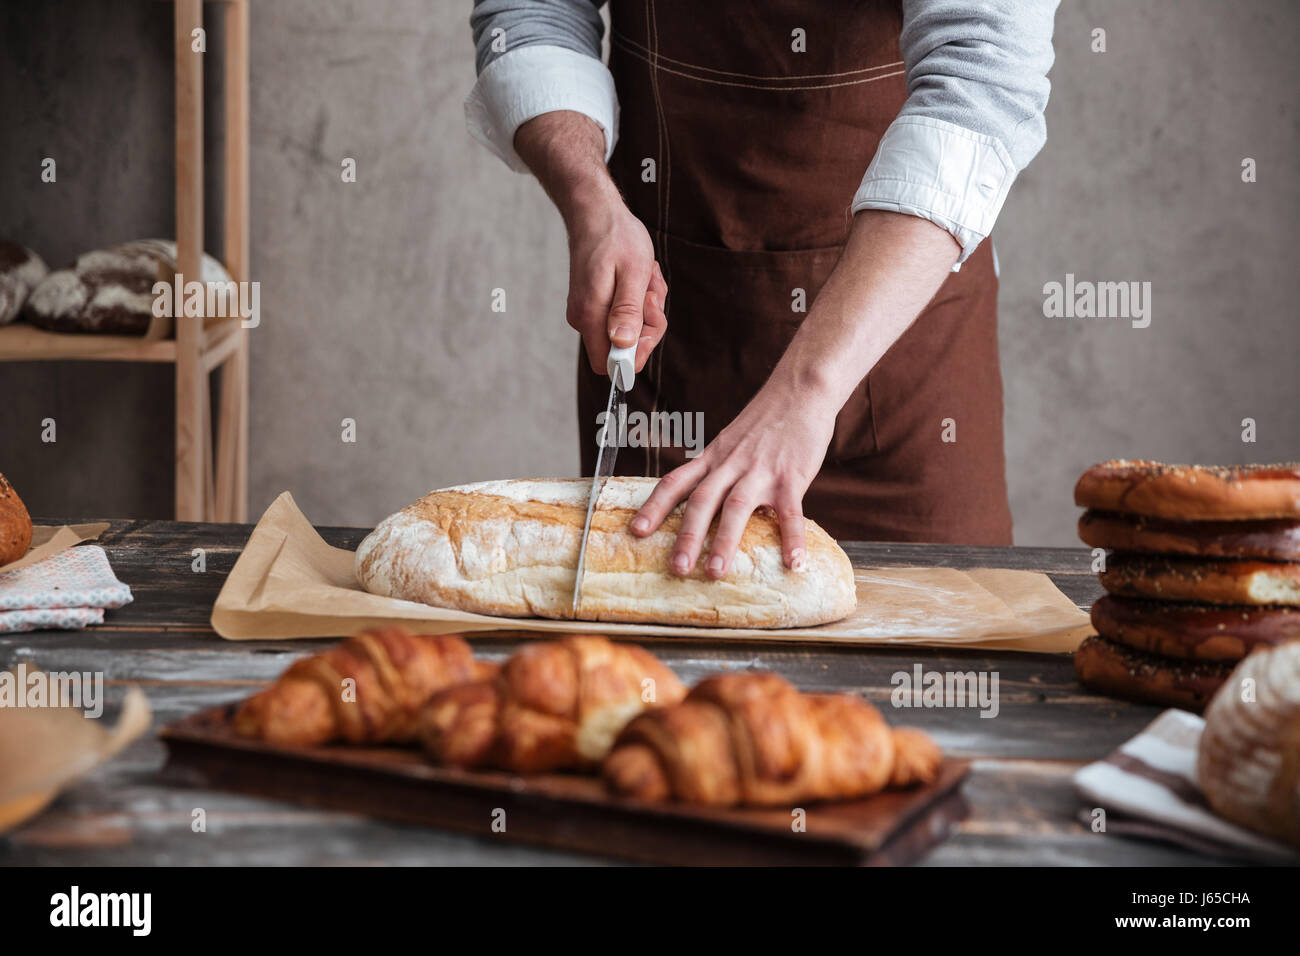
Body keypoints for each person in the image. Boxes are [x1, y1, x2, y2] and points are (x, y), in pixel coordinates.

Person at [466, 0, 1057, 578]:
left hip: (909, 364)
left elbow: (981, 79)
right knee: (650, 668)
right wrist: (591, 200)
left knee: (943, 650)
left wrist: (809, 388)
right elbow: (533, 9)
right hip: (670, 353)